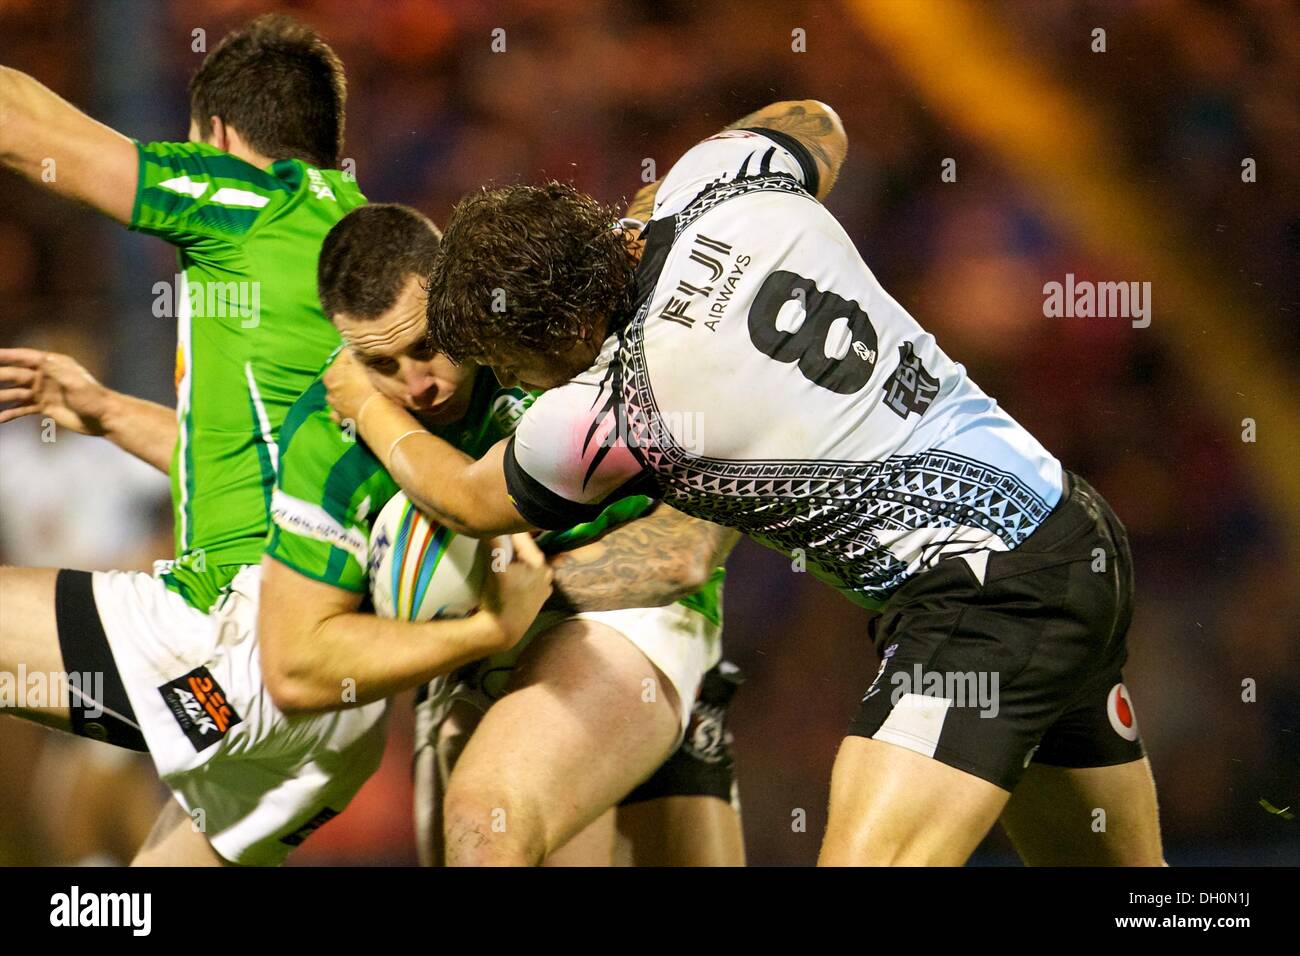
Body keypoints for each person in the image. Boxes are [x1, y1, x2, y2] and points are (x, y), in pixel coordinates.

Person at [324, 100, 1165, 866]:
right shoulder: (721, 181)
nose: (521, 385)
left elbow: (467, 499)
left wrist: (366, 404)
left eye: (516, 365)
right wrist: (645, 219)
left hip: (982, 597)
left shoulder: (611, 410)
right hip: (1065, 523)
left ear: (569, 332)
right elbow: (818, 120)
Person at [0, 13, 425, 865]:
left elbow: (20, 130)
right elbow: (289, 468)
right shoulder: (375, 252)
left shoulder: (250, 204)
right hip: (335, 716)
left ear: (220, 138)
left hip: (234, 642)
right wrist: (110, 413)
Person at [276, 203, 743, 866]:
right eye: (380, 364)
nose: (417, 385)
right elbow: (296, 664)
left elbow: (679, 551)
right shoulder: (324, 436)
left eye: (426, 346)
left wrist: (375, 410)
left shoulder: (537, 317)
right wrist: (483, 631)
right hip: (473, 655)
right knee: (481, 836)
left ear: (455, 297)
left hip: (632, 614)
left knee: (488, 824)